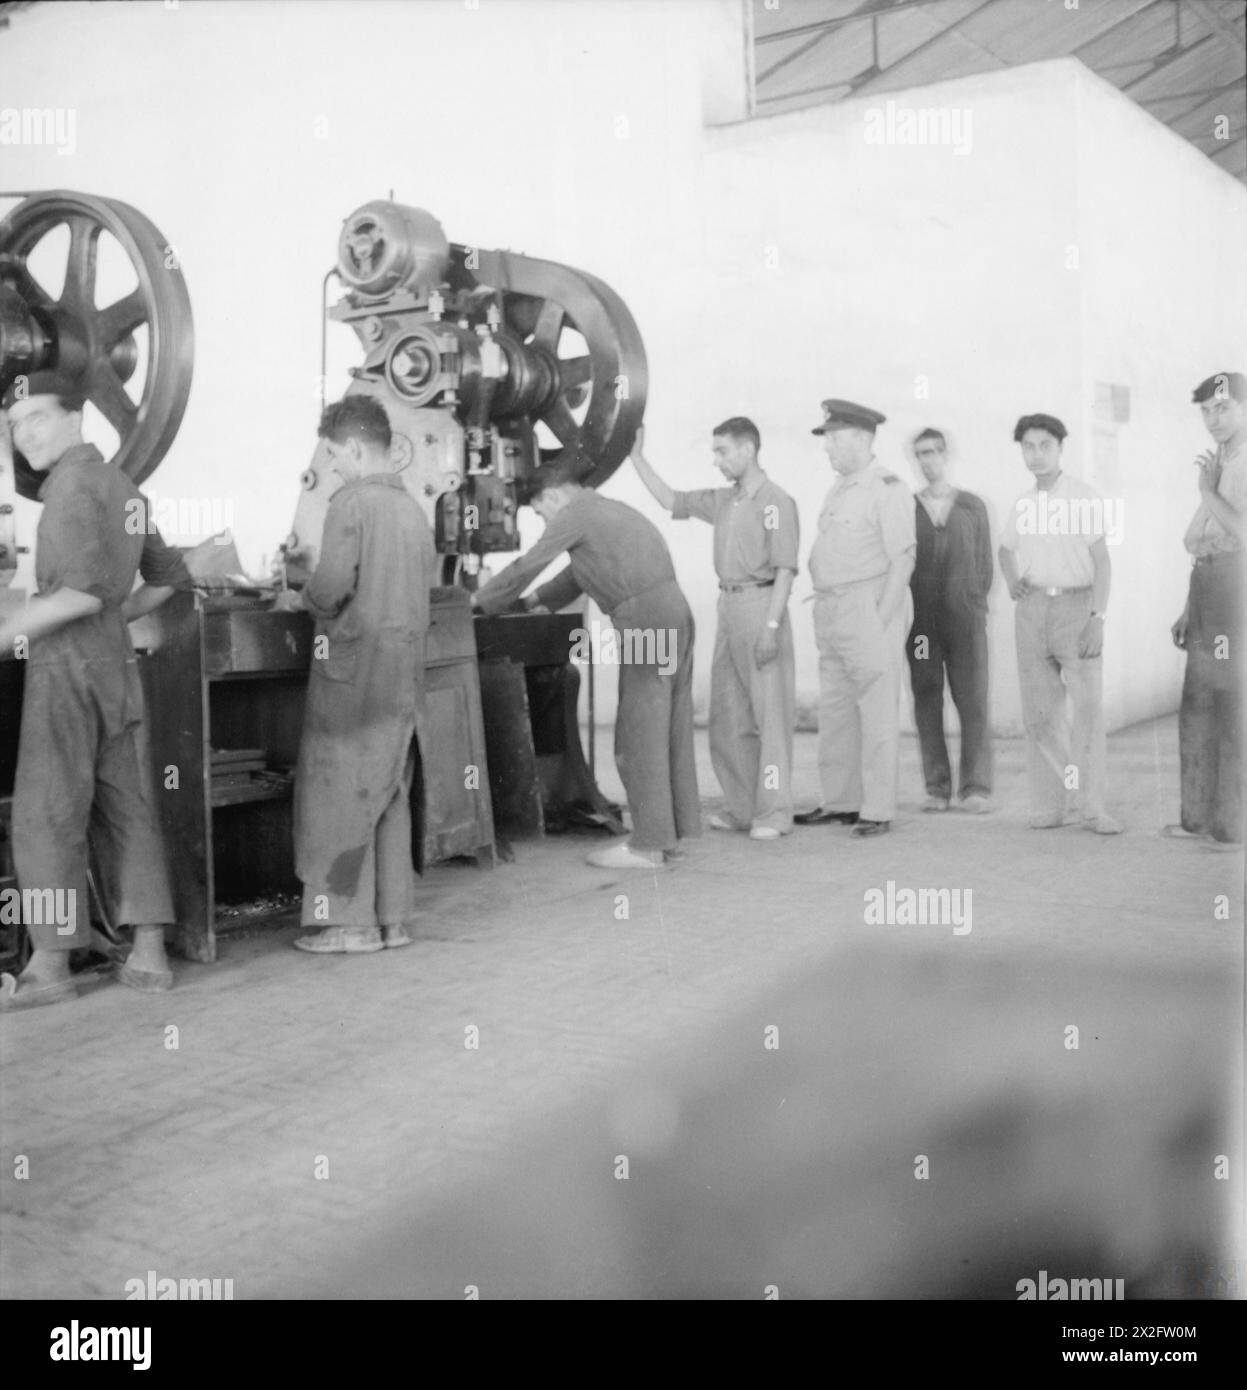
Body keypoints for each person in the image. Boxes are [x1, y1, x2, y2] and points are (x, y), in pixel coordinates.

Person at [0, 372, 190, 1009]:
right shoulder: (125, 487)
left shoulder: (71, 490)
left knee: (47, 812)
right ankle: (149, 952)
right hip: (114, 666)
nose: (24, 435)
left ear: (76, 421)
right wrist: (117, 618)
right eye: (15, 425)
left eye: (37, 419)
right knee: (126, 807)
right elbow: (167, 580)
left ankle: (51, 966)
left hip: (66, 671)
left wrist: (8, 630)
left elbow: (78, 593)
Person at [470, 447, 700, 868]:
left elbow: (529, 562)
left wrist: (481, 601)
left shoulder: (574, 514)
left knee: (638, 730)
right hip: (673, 610)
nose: (544, 521)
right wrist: (536, 601)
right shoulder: (606, 510)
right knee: (668, 725)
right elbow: (579, 572)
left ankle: (648, 846)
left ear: (554, 497)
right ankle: (672, 836)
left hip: (645, 618)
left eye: (540, 513)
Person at [275, 395, 437, 952]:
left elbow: (332, 586)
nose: (334, 468)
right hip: (403, 668)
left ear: (351, 447)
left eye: (334, 455)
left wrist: (299, 595)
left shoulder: (352, 502)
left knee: (338, 790)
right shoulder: (413, 508)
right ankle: (392, 920)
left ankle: (347, 924)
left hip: (354, 668)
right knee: (388, 785)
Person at [630, 418, 798, 840]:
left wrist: (771, 627)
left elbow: (784, 570)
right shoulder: (725, 501)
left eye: (722, 451)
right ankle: (745, 809)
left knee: (770, 719)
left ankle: (775, 814)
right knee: (727, 718)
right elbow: (672, 500)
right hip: (729, 607)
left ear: (748, 450)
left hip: (762, 606)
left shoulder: (776, 502)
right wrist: (636, 456)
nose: (716, 460)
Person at [795, 399, 915, 838]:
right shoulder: (841, 486)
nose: (828, 448)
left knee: (878, 711)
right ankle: (841, 801)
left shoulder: (887, 488)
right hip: (832, 609)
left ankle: (878, 809)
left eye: (835, 439)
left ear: (863, 440)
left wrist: (881, 621)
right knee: (837, 711)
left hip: (867, 607)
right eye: (827, 439)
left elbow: (903, 560)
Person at [998, 413, 1121, 834]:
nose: (1035, 455)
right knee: (1040, 716)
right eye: (1027, 447)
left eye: (1044, 446)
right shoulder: (1024, 503)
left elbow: (1103, 563)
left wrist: (1097, 618)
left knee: (1087, 712)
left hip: (1077, 609)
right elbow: (1005, 550)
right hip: (1032, 613)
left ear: (1060, 448)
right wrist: (1014, 582)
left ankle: (1092, 808)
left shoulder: (1083, 498)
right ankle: (1051, 805)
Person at [1165, 370, 1244, 850]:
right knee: (1197, 706)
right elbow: (1205, 544)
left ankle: (1233, 826)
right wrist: (1188, 606)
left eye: (1224, 408)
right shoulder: (1221, 458)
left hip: (1235, 587)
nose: (1214, 419)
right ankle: (1196, 820)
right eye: (1207, 411)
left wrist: (1208, 492)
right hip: (1208, 584)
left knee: (1232, 706)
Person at [906, 427, 994, 813]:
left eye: (934, 453)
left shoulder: (971, 506)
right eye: (921, 454)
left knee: (972, 699)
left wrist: (971, 603)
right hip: (922, 625)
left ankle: (975, 787)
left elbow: (985, 566)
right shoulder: (907, 507)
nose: (928, 461)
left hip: (965, 621)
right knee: (927, 698)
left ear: (946, 455)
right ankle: (937, 788)